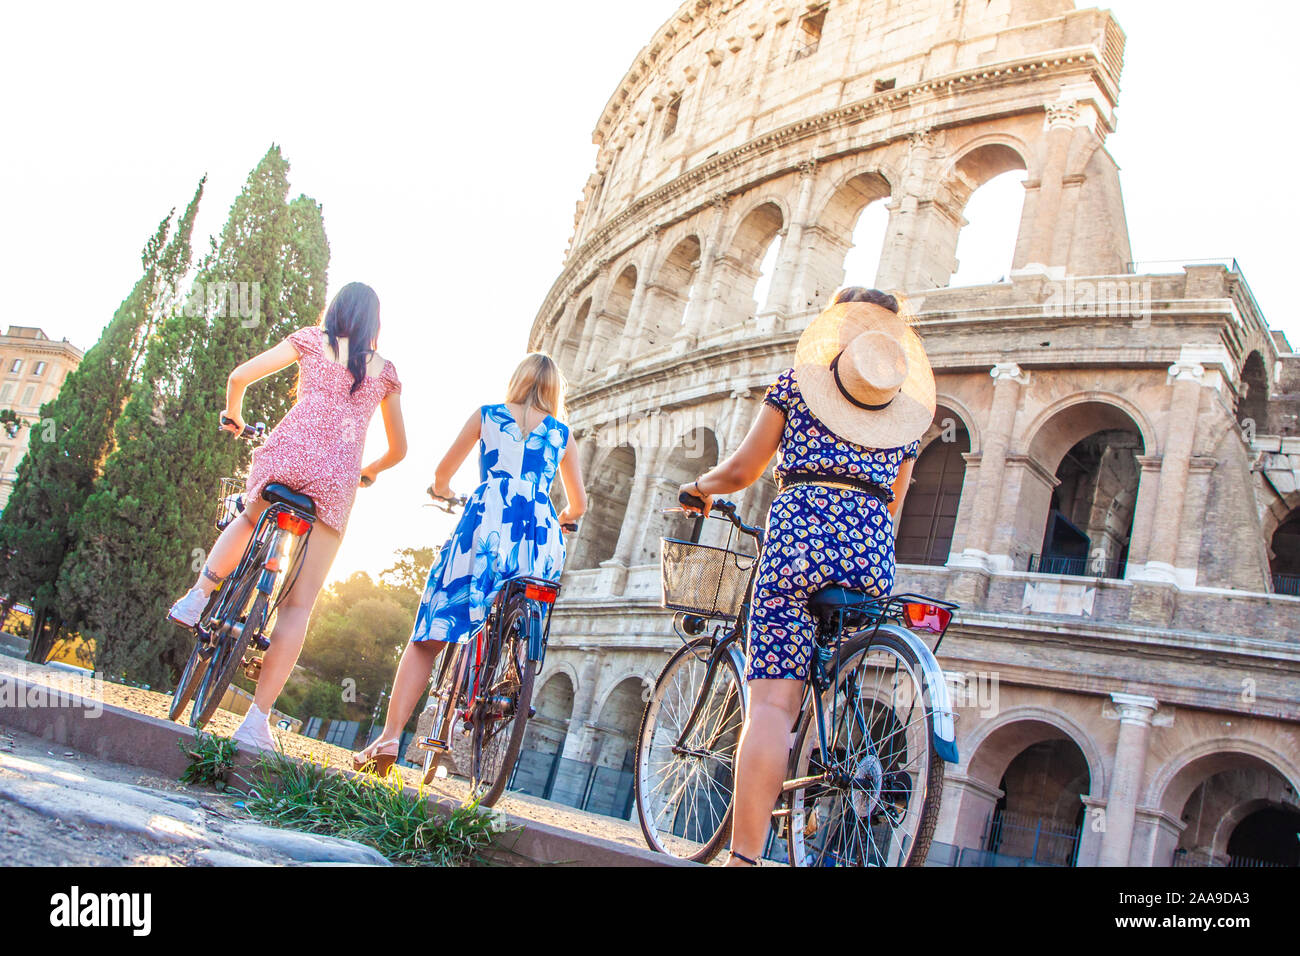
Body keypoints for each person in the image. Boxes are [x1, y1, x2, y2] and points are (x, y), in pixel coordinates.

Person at [677, 287, 935, 866]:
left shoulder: (797, 385)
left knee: (771, 707)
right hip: (869, 550)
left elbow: (744, 469)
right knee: (830, 671)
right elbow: (894, 504)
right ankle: (828, 773)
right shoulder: (910, 411)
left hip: (797, 541)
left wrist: (701, 487)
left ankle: (744, 857)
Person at [167, 281, 407, 751]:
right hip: (335, 482)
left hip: (287, 457)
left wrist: (233, 417)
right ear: (377, 324)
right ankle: (257, 721)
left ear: (333, 311)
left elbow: (239, 377)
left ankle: (198, 596)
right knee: (299, 604)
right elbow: (399, 449)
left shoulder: (310, 341)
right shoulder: (386, 372)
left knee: (247, 517)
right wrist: (369, 471)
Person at [352, 353, 586, 773]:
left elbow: (443, 471)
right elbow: (579, 504)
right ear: (555, 393)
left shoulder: (488, 416)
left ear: (517, 381)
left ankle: (388, 740)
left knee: (430, 631)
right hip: (538, 541)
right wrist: (561, 520)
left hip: (486, 525)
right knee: (514, 608)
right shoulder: (561, 434)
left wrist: (441, 490)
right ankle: (507, 667)